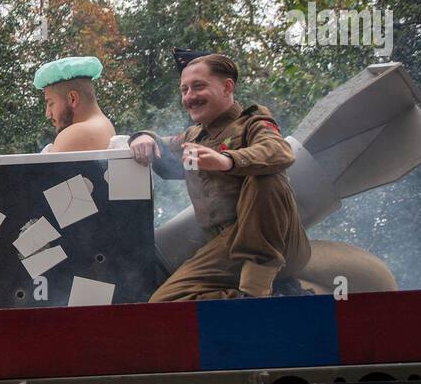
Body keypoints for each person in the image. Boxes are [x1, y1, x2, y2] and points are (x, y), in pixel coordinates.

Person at [129, 53, 310, 300]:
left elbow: (279, 152)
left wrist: (227, 161)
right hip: (227, 246)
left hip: (276, 242)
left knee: (265, 175)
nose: (189, 97)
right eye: (184, 90)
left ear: (227, 87)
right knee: (163, 302)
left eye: (198, 86)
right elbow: (162, 147)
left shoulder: (253, 123)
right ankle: (266, 299)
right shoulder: (192, 137)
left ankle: (257, 285)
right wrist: (143, 136)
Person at [34, 56, 116, 152]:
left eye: (51, 103)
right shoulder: (105, 127)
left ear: (73, 99)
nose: (48, 114)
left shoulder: (76, 134)